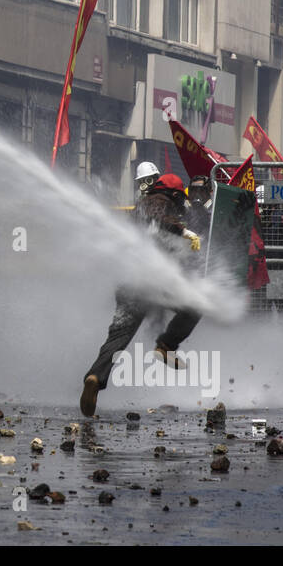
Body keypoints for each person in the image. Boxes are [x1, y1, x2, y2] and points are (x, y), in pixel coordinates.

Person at [79, 173, 205, 417]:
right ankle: (166, 345)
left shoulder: (142, 205)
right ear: (176, 194)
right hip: (153, 283)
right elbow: (157, 217)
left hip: (130, 283)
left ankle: (95, 376)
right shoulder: (157, 202)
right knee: (195, 306)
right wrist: (183, 232)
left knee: (118, 338)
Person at [186, 175, 212, 241]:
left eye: (201, 190)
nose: (196, 194)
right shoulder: (186, 209)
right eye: (193, 191)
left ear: (210, 192)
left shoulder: (216, 210)